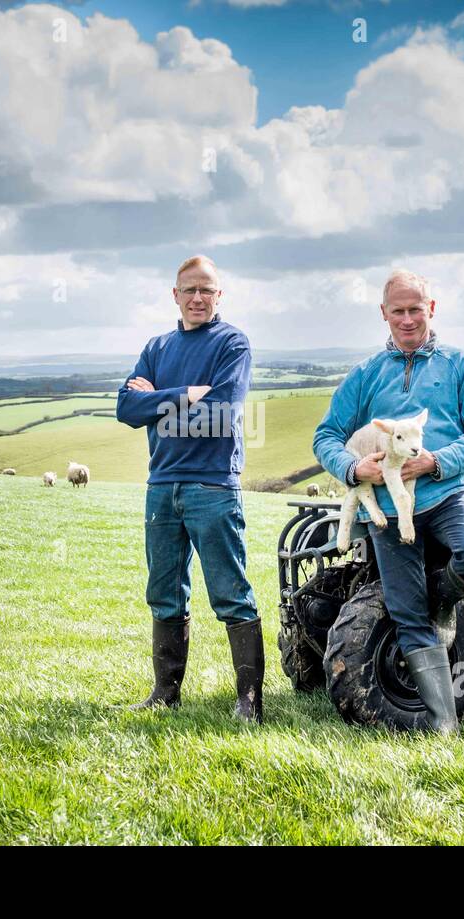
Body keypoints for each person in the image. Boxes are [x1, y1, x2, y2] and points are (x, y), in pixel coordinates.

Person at [313, 270, 464, 734]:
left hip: (449, 492)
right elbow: (326, 436)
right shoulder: (366, 374)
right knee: (405, 610)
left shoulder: (462, 365)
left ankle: (441, 602)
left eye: (415, 308)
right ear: (384, 314)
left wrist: (437, 462)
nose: (407, 319)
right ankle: (444, 725)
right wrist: (354, 470)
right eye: (397, 310)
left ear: (431, 309)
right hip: (389, 507)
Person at [115, 255, 265, 722]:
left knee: (230, 591)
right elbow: (125, 408)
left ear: (219, 295)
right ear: (174, 294)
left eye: (207, 290)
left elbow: (221, 413)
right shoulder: (157, 346)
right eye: (189, 290)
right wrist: (184, 395)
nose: (197, 298)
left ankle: (250, 702)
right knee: (163, 590)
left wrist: (155, 401)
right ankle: (165, 693)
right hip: (161, 485)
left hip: (212, 485)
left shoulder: (232, 344)